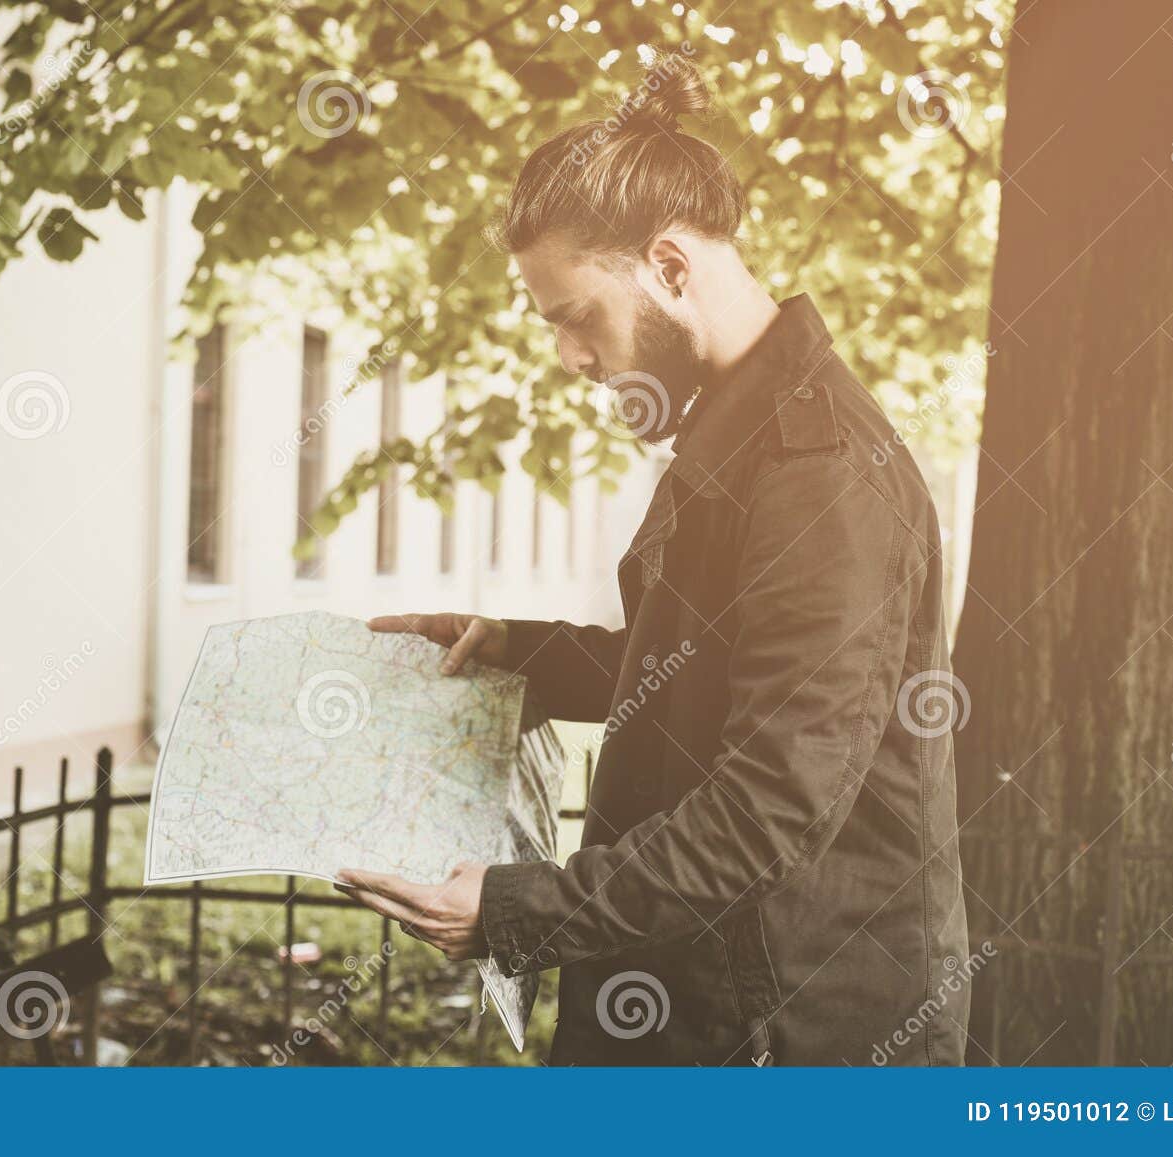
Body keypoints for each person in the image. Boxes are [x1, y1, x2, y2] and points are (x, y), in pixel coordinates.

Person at [336, 53, 969, 1066]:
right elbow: (698, 678)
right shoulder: (737, 433)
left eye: (575, 316)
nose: (571, 360)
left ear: (669, 268)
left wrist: (512, 910)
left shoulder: (822, 475)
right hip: (700, 1004)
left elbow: (770, 805)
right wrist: (513, 650)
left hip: (788, 1034)